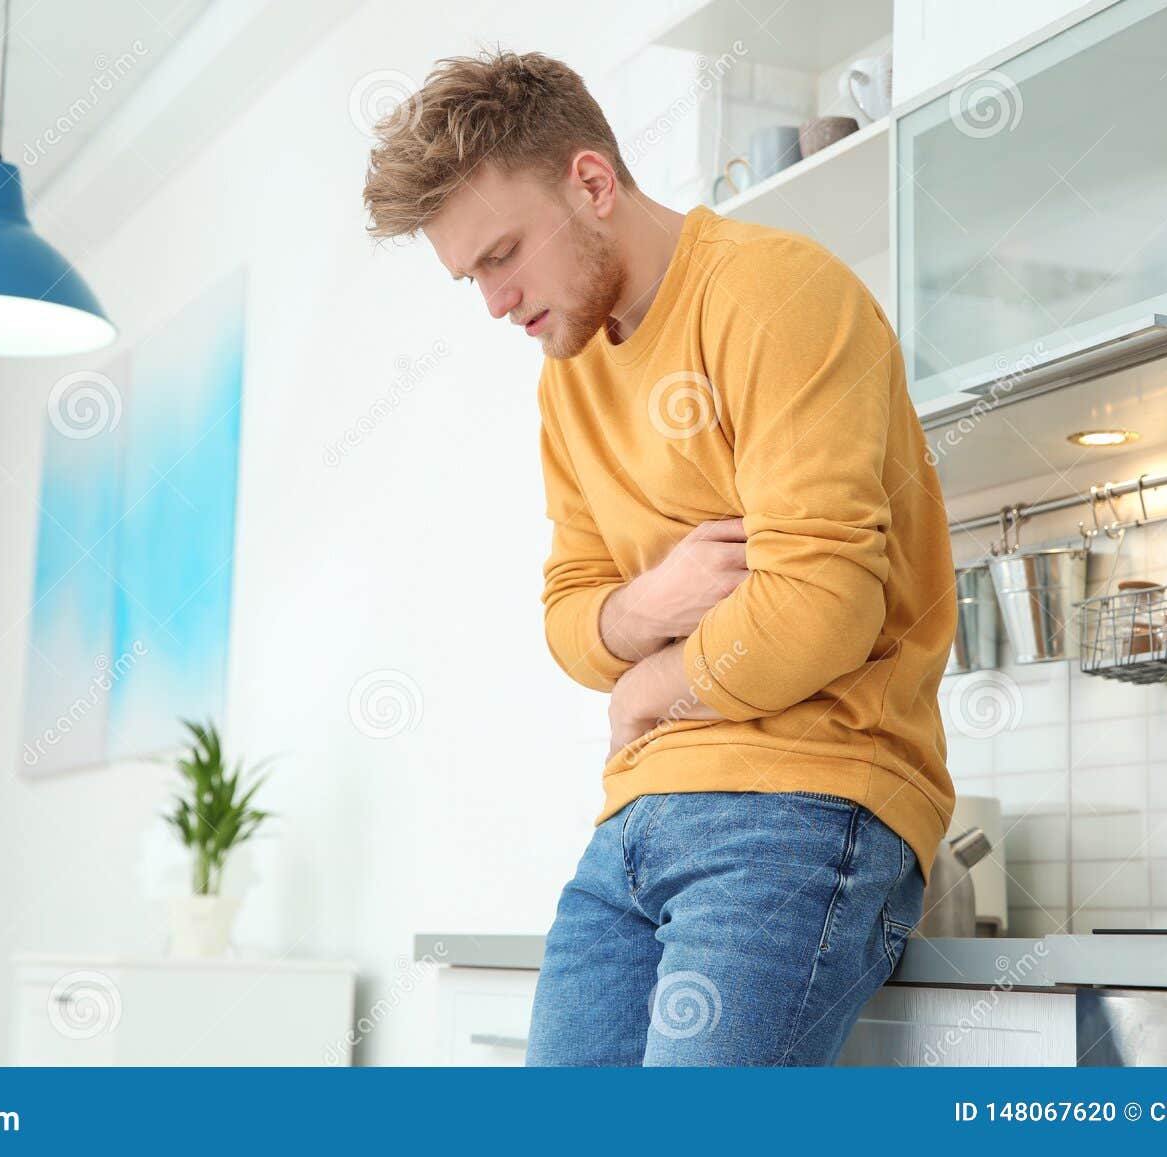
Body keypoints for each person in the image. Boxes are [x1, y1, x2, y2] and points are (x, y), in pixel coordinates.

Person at [361, 49, 956, 1066]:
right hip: (631, 827)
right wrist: (646, 609)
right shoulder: (568, 375)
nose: (496, 302)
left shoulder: (774, 294)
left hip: (801, 804)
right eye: (473, 277)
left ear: (591, 182)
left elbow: (819, 611)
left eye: (503, 254)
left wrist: (650, 689)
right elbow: (567, 616)